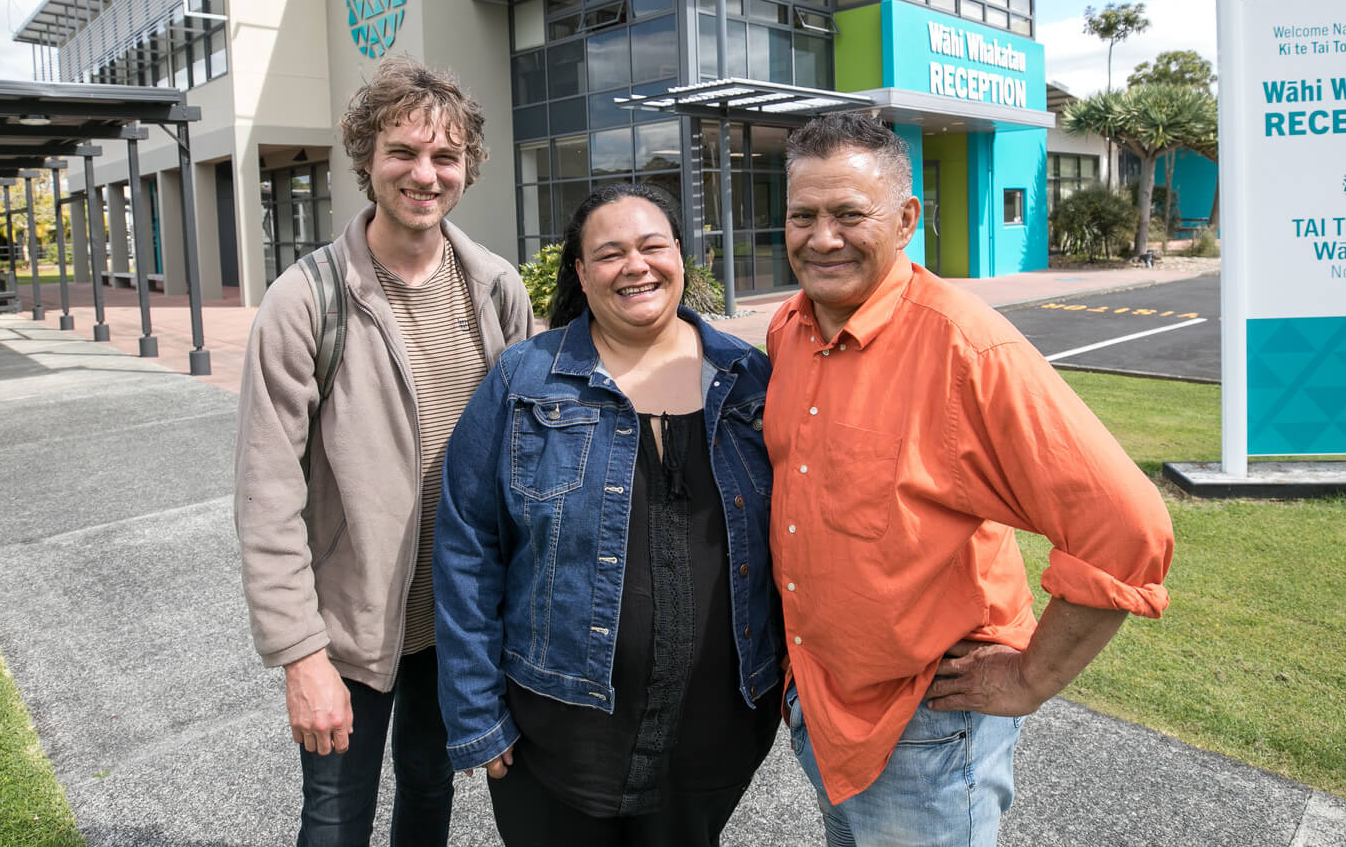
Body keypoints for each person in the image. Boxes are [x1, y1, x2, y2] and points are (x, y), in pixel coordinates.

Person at [766, 111, 1175, 846]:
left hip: (927, 730)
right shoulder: (788, 329)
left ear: (906, 218)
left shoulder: (968, 347)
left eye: (848, 214)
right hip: (824, 706)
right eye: (803, 216)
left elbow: (1128, 526)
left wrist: (1032, 678)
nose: (821, 237)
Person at [234, 55, 533, 846]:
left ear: (466, 167)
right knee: (335, 821)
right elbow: (267, 496)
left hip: (458, 622)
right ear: (367, 158)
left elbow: (525, 458)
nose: (424, 173)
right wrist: (301, 656)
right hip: (350, 630)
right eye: (402, 151)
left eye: (445, 156)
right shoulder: (306, 300)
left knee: (431, 795)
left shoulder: (497, 288)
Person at [434, 184, 784, 846]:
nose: (636, 265)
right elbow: (466, 545)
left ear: (681, 255)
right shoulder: (525, 380)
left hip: (718, 731)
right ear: (581, 273)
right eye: (610, 253)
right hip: (557, 729)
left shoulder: (748, 379)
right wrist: (475, 711)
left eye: (653, 246)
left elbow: (797, 540)